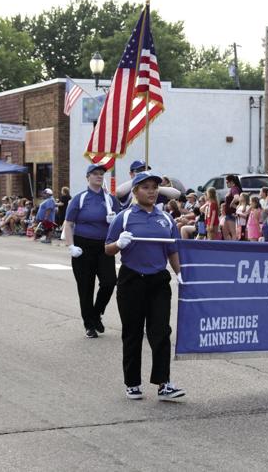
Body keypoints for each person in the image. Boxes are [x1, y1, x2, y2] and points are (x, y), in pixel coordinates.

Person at [105, 171, 185, 401]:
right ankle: (132, 383)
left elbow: (172, 250)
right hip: (131, 280)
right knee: (132, 333)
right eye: (146, 187)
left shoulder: (166, 219)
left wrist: (180, 273)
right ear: (135, 191)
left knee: (160, 332)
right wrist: (119, 243)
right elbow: (107, 248)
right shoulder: (125, 217)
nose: (151, 191)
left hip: (158, 280)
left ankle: (164, 383)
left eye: (154, 187)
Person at [64, 164, 121, 338]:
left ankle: (96, 313)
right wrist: (70, 245)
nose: (99, 176)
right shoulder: (80, 199)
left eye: (101, 174)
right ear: (88, 177)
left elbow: (121, 223)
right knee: (86, 287)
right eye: (95, 174)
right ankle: (89, 324)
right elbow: (68, 223)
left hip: (104, 246)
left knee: (109, 282)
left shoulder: (110, 199)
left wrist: (114, 221)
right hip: (83, 246)